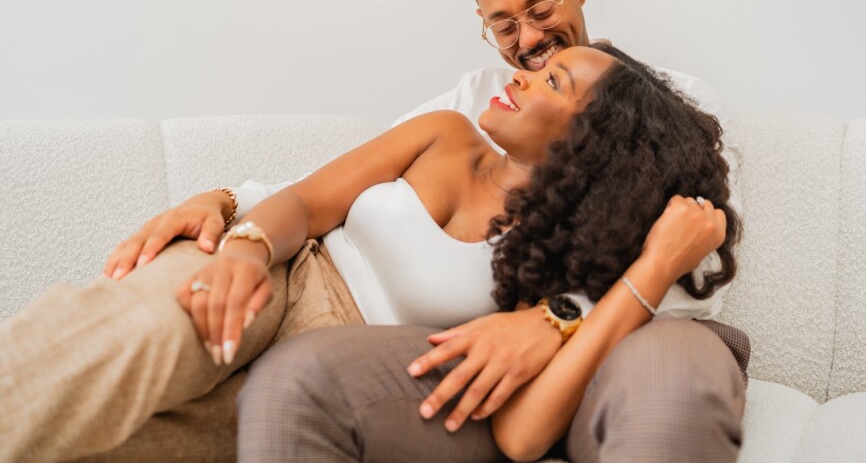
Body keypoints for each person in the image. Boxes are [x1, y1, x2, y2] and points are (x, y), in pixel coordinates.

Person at [0, 44, 737, 463]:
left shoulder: (565, 262)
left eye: (552, 80)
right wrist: (249, 245)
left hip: (334, 378)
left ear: (592, 142)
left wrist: (622, 285)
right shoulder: (445, 132)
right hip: (282, 271)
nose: (518, 70)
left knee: (126, 447)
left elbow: (523, 431)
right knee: (132, 338)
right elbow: (310, 200)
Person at [233, 0, 751, 463]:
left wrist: (555, 318)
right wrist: (231, 205)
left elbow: (697, 257)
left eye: (540, 10)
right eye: (503, 26)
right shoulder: (476, 103)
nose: (527, 41)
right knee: (296, 379)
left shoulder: (671, 113)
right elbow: (342, 182)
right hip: (504, 361)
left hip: (633, 340)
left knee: (671, 386)